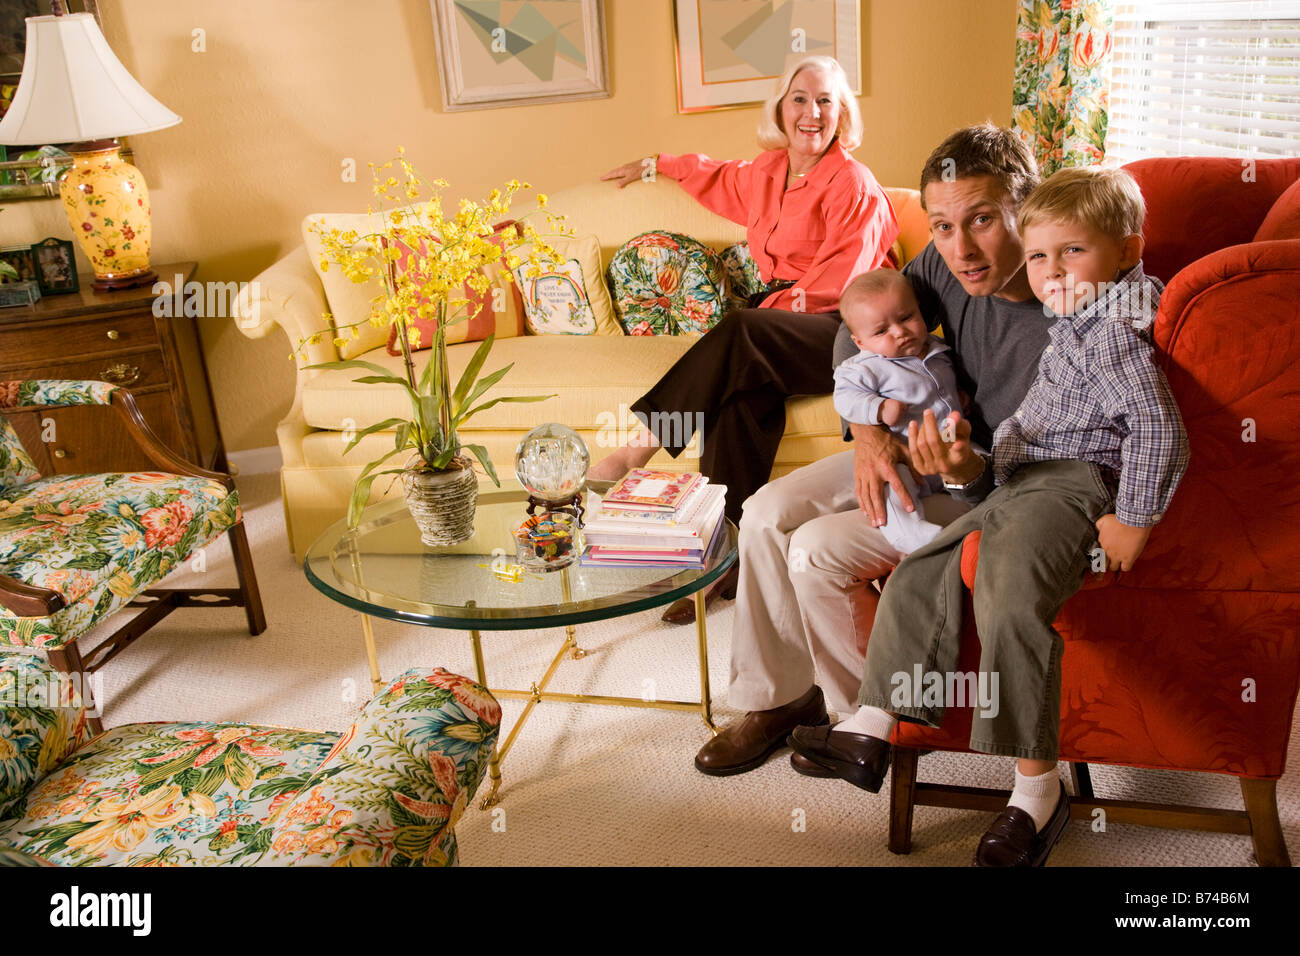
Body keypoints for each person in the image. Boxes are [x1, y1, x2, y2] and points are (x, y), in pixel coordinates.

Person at [789, 165, 1189, 867]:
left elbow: (1159, 428)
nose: (1051, 270)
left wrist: (1136, 516)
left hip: (1073, 488)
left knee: (1009, 593)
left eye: (1074, 251)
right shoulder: (1075, 324)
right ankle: (876, 722)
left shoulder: (1116, 333)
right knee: (924, 568)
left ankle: (1038, 790)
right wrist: (974, 467)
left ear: (1126, 250)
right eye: (1039, 256)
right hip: (1022, 483)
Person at [692, 123, 1050, 778]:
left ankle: (871, 721)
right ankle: (782, 701)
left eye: (981, 220)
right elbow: (854, 332)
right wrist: (868, 436)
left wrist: (963, 468)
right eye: (941, 225)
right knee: (766, 510)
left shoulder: (1065, 306)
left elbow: (1038, 480)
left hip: (984, 484)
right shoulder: (946, 266)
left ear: (1027, 208)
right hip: (911, 447)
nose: (961, 249)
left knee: (812, 547)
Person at [591, 55, 900, 624]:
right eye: (800, 99)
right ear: (781, 108)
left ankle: (636, 450)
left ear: (842, 114)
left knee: (741, 328)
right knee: (735, 398)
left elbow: (844, 283)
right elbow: (713, 174)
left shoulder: (853, 183)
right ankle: (720, 560)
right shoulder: (767, 172)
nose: (812, 112)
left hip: (844, 330)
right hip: (780, 327)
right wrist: (656, 163)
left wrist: (771, 313)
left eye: (826, 101)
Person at [832, 269, 960, 555]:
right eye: (881, 331)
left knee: (982, 460)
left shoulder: (937, 351)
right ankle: (912, 536)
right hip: (906, 456)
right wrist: (878, 409)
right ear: (860, 343)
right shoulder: (865, 367)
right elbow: (844, 398)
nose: (900, 332)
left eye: (906, 318)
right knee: (891, 483)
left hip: (948, 450)